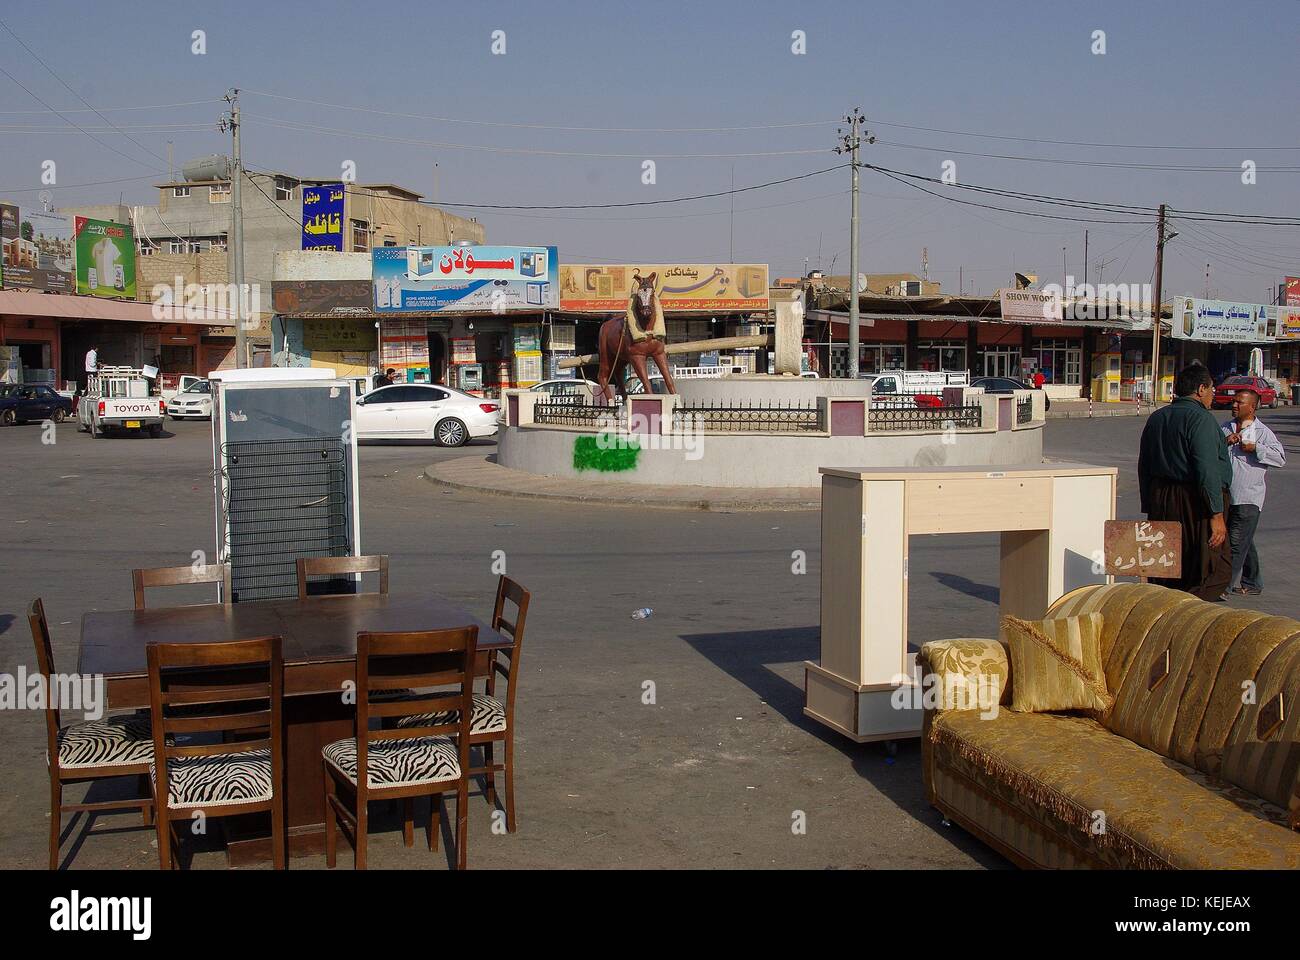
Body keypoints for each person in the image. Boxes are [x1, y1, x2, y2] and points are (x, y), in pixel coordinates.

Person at [1138, 364, 1233, 600]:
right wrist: (1216, 515)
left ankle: (1168, 604)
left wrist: (1149, 504)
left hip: (1161, 498)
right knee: (1210, 566)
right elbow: (1207, 469)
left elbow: (1144, 465)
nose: (1213, 395)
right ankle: (1188, 610)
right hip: (1194, 501)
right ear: (1201, 389)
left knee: (1166, 561)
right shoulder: (1201, 419)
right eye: (1211, 389)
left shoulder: (1158, 417)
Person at [1219, 388, 1286, 598]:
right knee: (1244, 539)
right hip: (1227, 496)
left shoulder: (1262, 432)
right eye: (1233, 401)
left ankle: (1223, 586)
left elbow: (1280, 459)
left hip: (1249, 496)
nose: (1234, 405)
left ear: (1252, 407)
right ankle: (1253, 581)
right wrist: (1225, 442)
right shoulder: (1225, 428)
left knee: (1236, 543)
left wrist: (1256, 448)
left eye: (1240, 402)